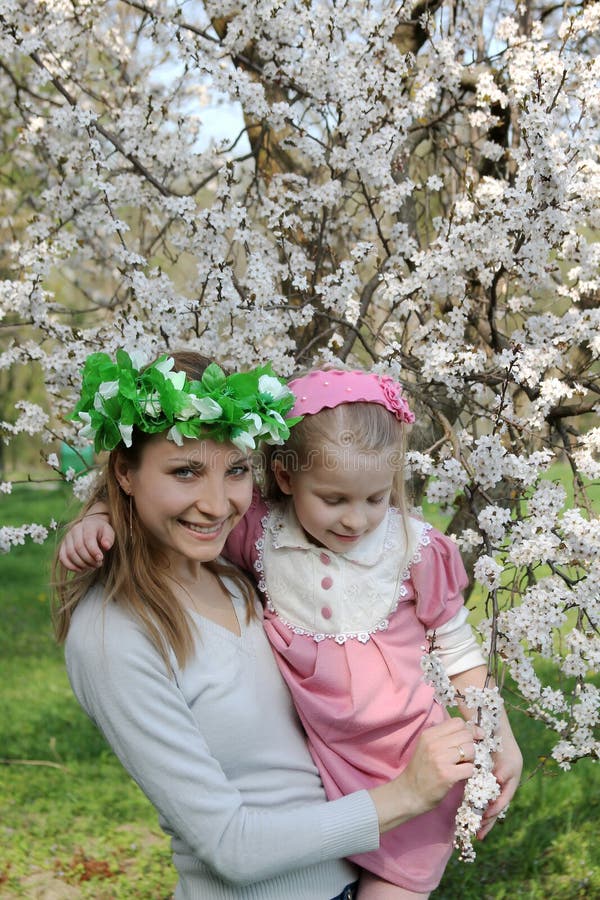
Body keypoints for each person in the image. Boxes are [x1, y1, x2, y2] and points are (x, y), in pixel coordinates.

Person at [54, 350, 485, 900]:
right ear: (124, 473)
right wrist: (407, 795)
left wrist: (496, 737)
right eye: (185, 470)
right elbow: (231, 846)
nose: (215, 504)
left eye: (234, 469)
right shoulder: (114, 638)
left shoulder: (240, 575)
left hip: (354, 876)